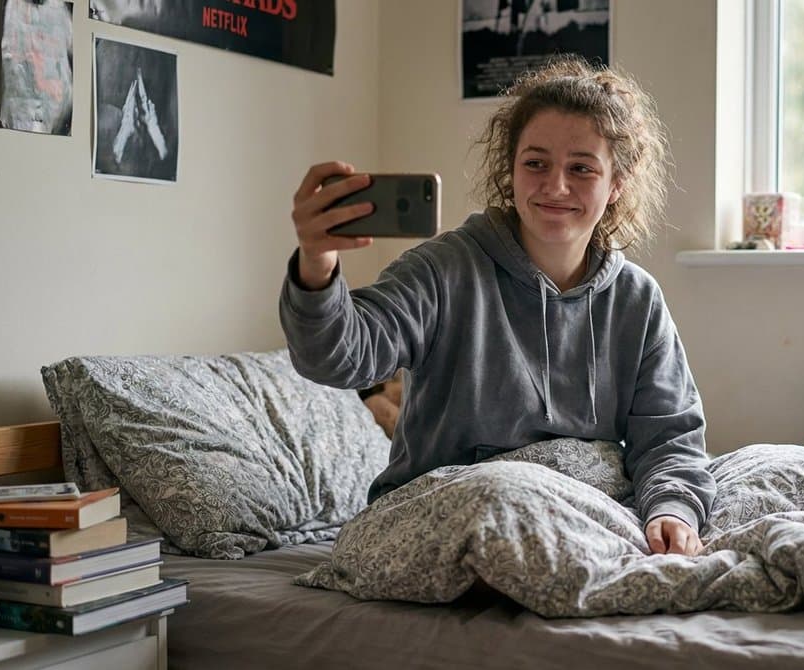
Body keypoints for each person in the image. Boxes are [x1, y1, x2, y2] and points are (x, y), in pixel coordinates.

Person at [279, 58, 715, 557]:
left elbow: (670, 436)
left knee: (773, 467)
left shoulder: (637, 299)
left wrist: (671, 511)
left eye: (581, 168)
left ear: (616, 182)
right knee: (505, 490)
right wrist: (317, 260)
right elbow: (337, 356)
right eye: (535, 163)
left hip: (583, 514)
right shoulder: (444, 270)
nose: (555, 186)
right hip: (456, 511)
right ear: (510, 171)